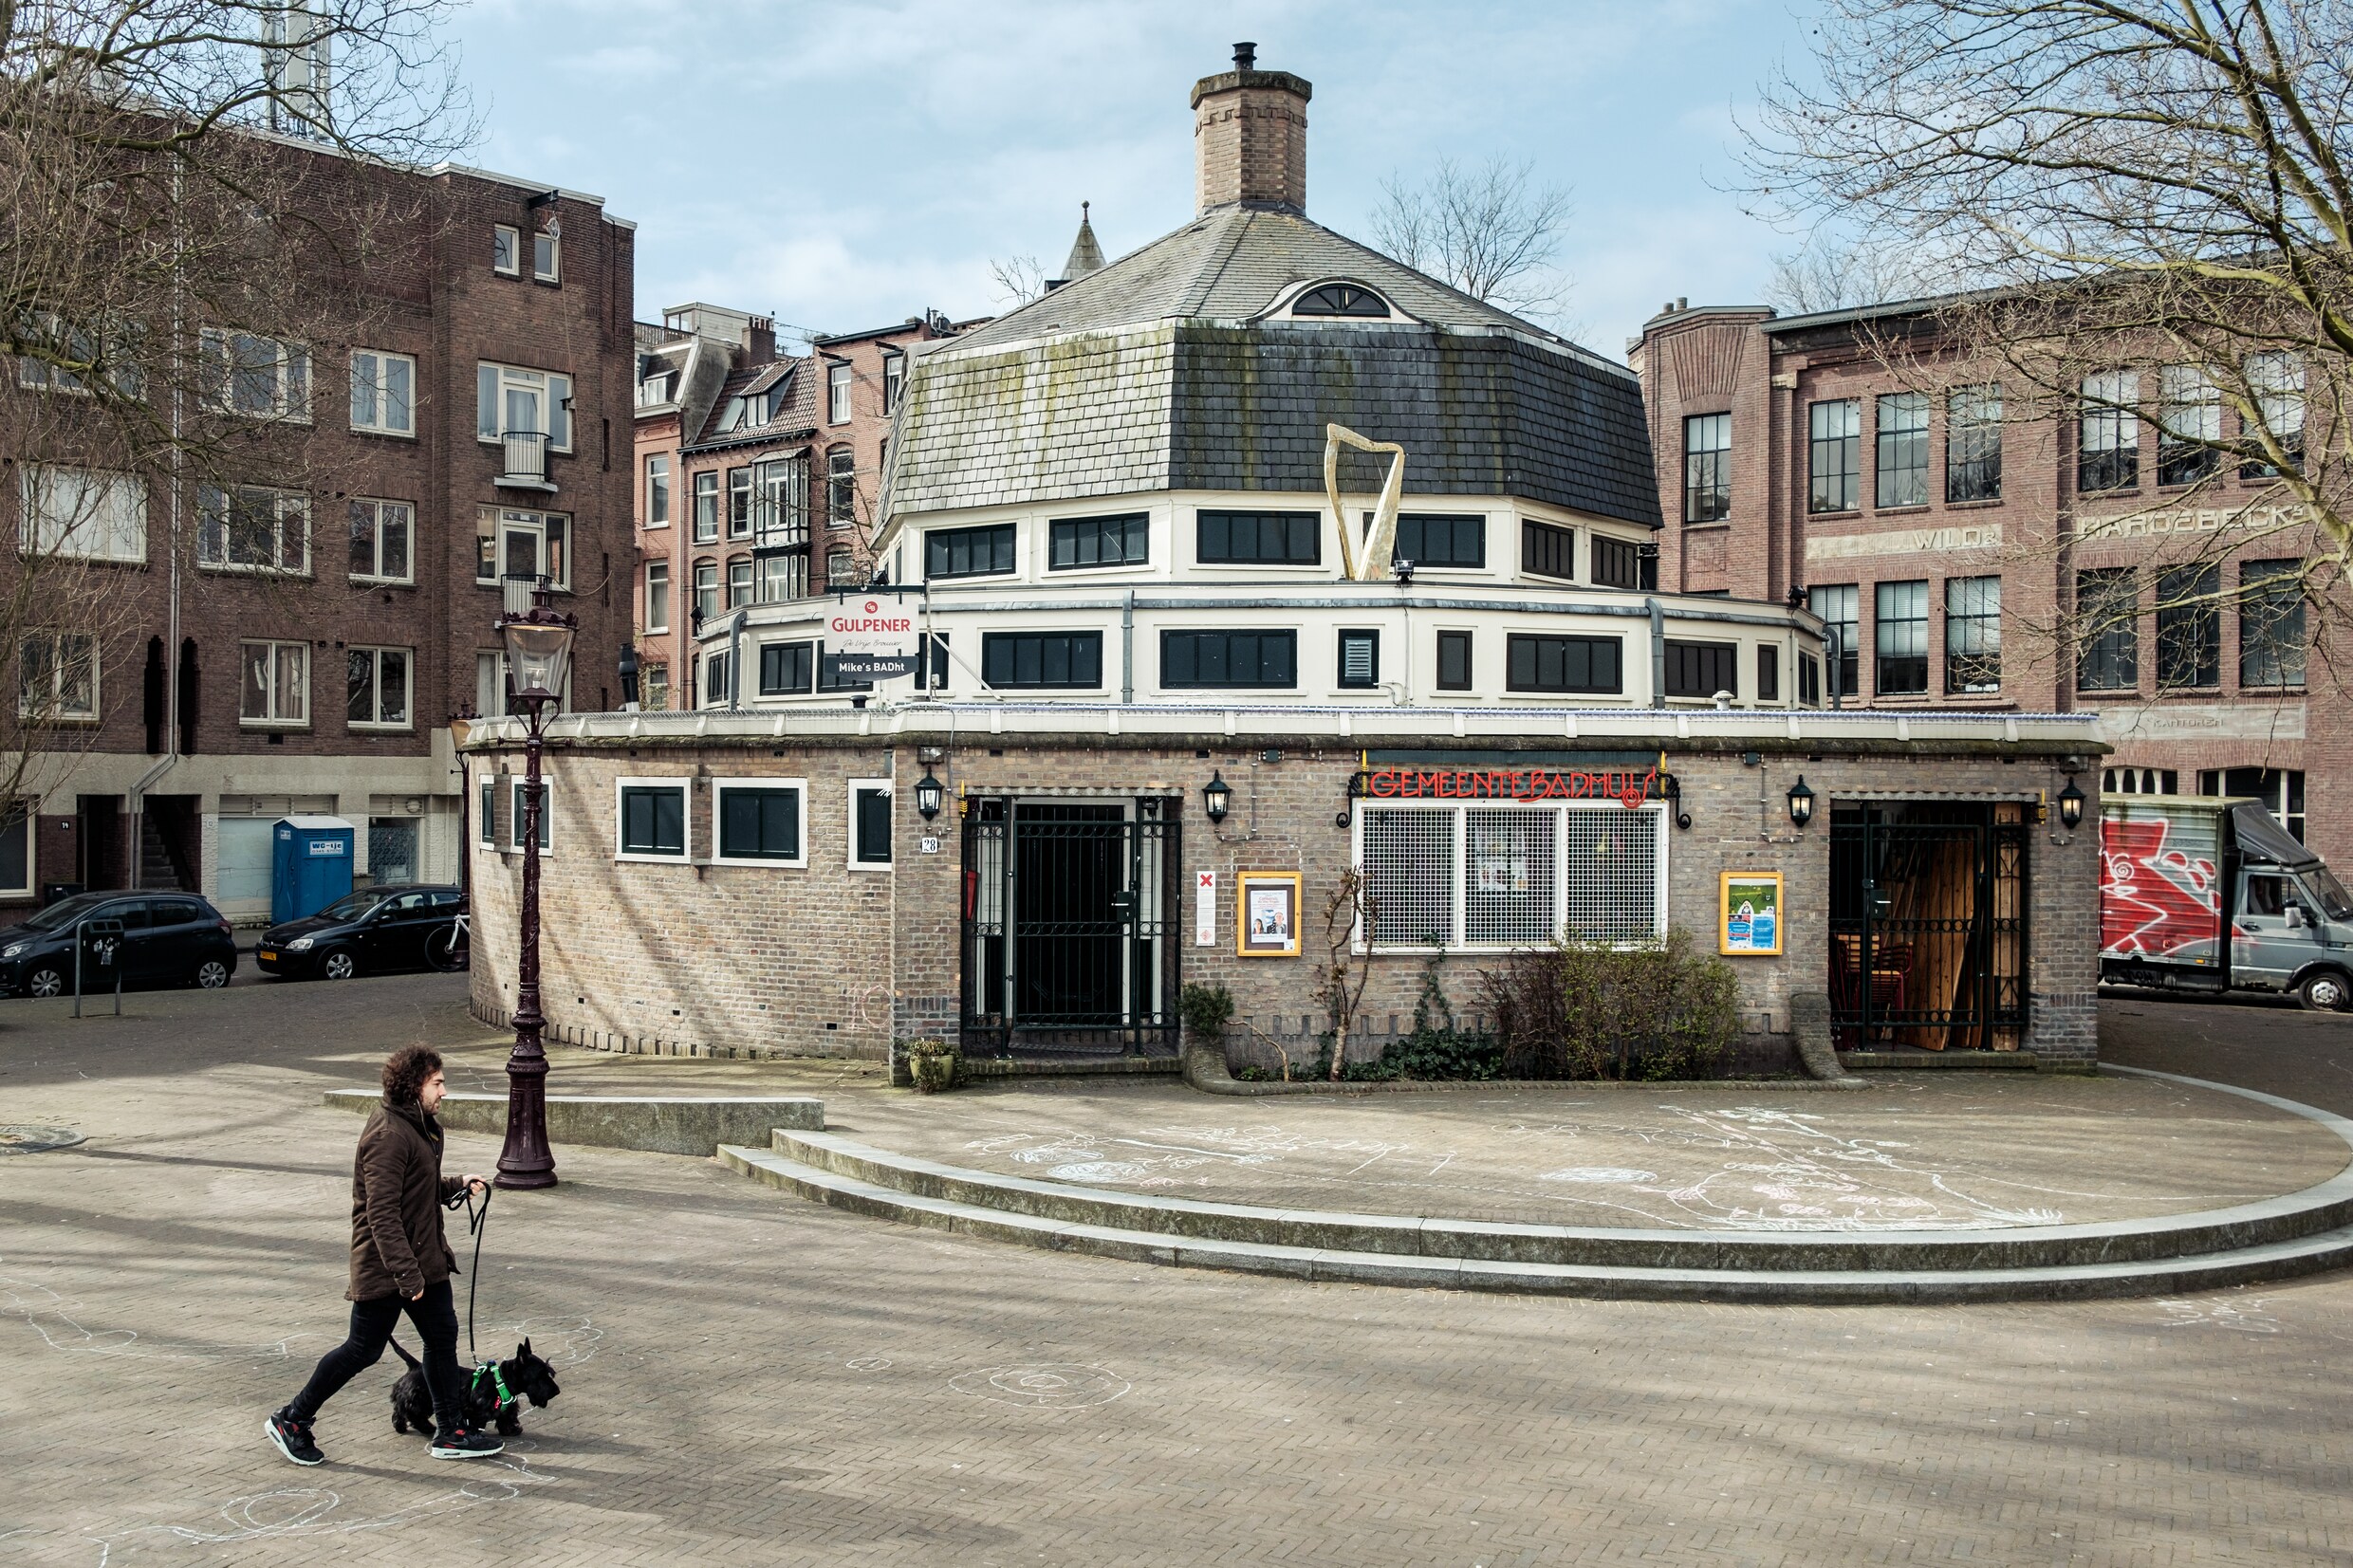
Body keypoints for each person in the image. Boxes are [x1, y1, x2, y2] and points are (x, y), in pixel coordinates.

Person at [266, 1045, 502, 1465]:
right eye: (437, 1083)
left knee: (441, 1338)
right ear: (414, 1086)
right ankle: (292, 1419)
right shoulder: (389, 1135)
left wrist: (455, 1184)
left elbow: (416, 1186)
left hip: (423, 1259)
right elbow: (382, 1213)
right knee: (362, 1349)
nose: (444, 1092)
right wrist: (407, 1276)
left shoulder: (417, 1125)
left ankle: (451, 1432)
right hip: (389, 1267)